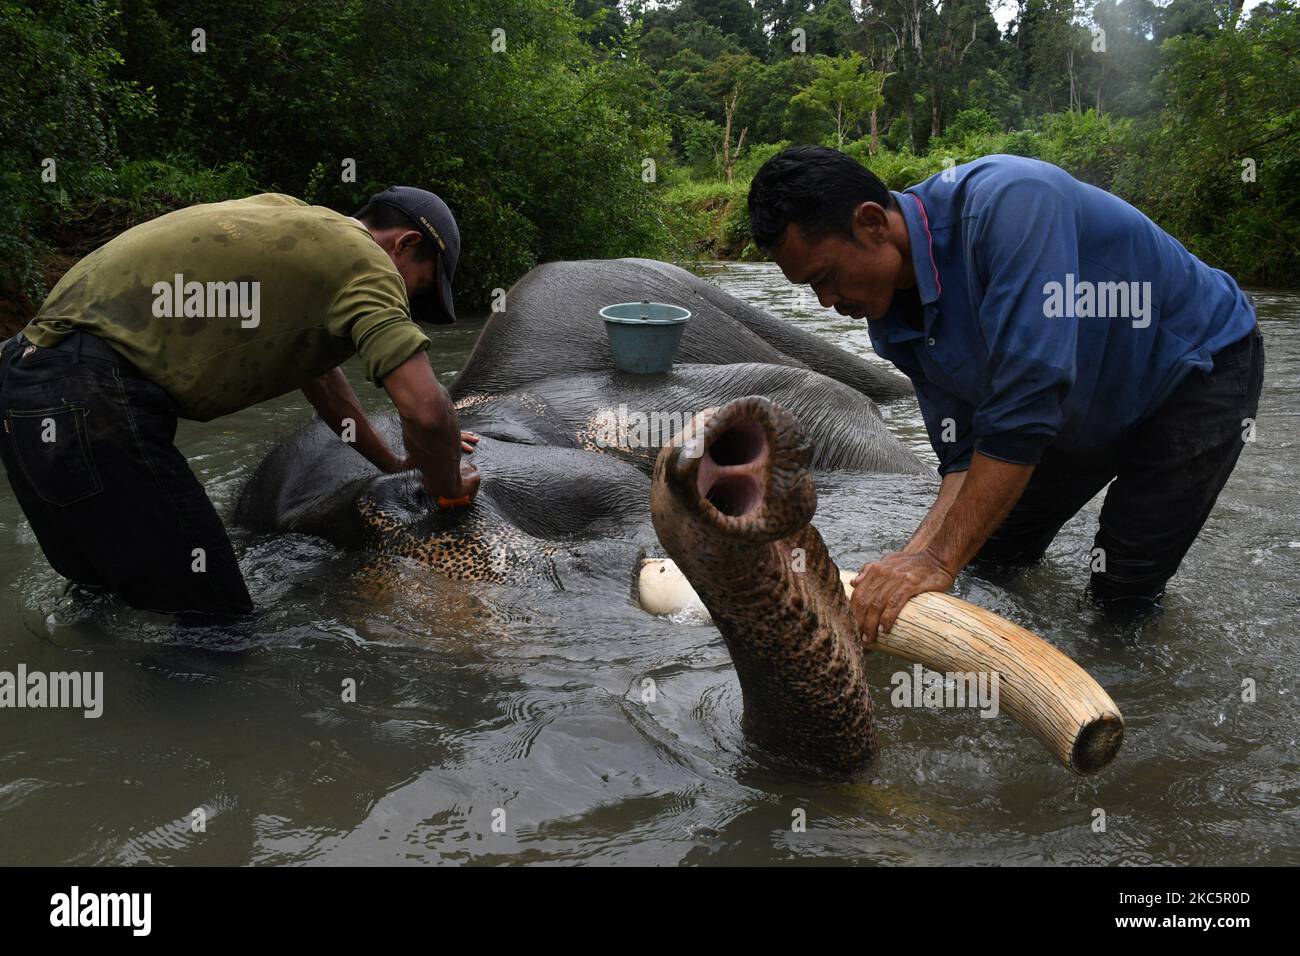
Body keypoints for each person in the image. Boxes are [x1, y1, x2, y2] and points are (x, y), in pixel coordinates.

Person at [747, 147, 1264, 638]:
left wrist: (935, 561)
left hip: (1193, 372)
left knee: (1122, 589)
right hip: (1079, 397)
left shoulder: (1013, 203)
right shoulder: (892, 319)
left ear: (872, 223)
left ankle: (1129, 691)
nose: (825, 302)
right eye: (809, 289)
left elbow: (1026, 408)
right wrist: (911, 561)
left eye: (827, 277)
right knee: (990, 555)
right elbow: (967, 451)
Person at [0, 185, 480, 617]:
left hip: (23, 379)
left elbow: (323, 383)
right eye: (418, 284)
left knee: (100, 593)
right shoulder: (369, 263)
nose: (408, 299)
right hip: (92, 393)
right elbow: (425, 408)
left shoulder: (288, 215)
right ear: (406, 243)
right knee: (215, 620)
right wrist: (448, 487)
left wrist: (395, 462)